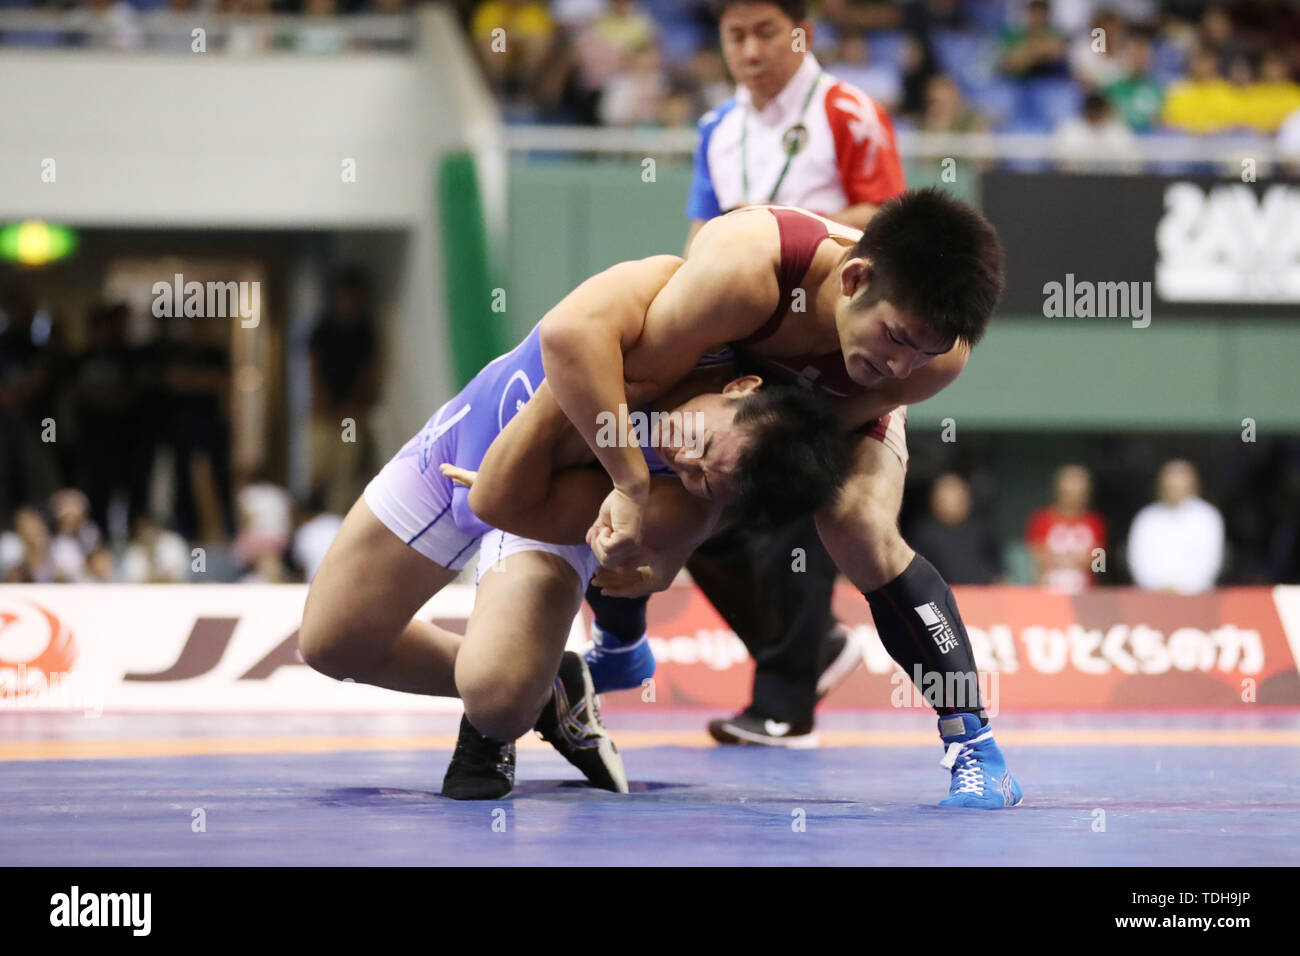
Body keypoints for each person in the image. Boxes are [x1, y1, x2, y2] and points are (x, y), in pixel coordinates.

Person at [525, 189, 1022, 808]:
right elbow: (642, 385)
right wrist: (638, 488)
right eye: (894, 336)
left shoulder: (931, 359)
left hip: (811, 414)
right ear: (855, 278)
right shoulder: (747, 268)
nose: (899, 366)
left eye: (919, 351)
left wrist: (709, 506)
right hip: (711, 388)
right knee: (642, 453)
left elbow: (813, 436)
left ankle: (976, 747)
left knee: (859, 527)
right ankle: (622, 642)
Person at [298, 312, 850, 800]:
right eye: (702, 445)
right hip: (462, 436)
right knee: (331, 646)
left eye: (702, 481)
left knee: (494, 698)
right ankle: (554, 687)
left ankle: (524, 689)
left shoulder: (684, 507)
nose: (682, 459)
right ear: (742, 386)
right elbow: (566, 333)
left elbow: (513, 503)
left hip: (526, 496)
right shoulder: (677, 319)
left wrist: (573, 435)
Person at [586, 0, 907, 753]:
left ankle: (786, 705)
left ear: (803, 34)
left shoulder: (850, 112)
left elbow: (892, 229)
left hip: (828, 338)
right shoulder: (715, 129)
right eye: (736, 36)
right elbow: (702, 234)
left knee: (795, 511)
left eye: (767, 32)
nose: (751, 50)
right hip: (742, 339)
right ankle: (814, 649)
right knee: (700, 505)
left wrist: (783, 230)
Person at [1126, 459, 1224, 594]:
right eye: (1170, 484)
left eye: (1180, 483)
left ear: (1193, 484)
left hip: (1198, 599)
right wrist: (1159, 588)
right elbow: (1137, 560)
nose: (1175, 487)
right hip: (1152, 599)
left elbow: (1210, 562)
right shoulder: (1146, 518)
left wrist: (1182, 589)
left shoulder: (1208, 517)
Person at [1025, 464, 1106, 594]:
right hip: (1049, 595)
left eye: (1080, 491)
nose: (1075, 497)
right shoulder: (1041, 520)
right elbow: (1038, 560)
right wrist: (1079, 560)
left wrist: (1062, 559)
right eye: (1070, 491)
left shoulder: (1095, 523)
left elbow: (1099, 565)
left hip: (1085, 596)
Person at [908, 473, 1001, 585]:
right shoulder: (925, 533)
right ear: (934, 500)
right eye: (945, 495)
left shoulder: (980, 530)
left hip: (982, 595)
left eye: (958, 495)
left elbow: (997, 572)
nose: (952, 500)